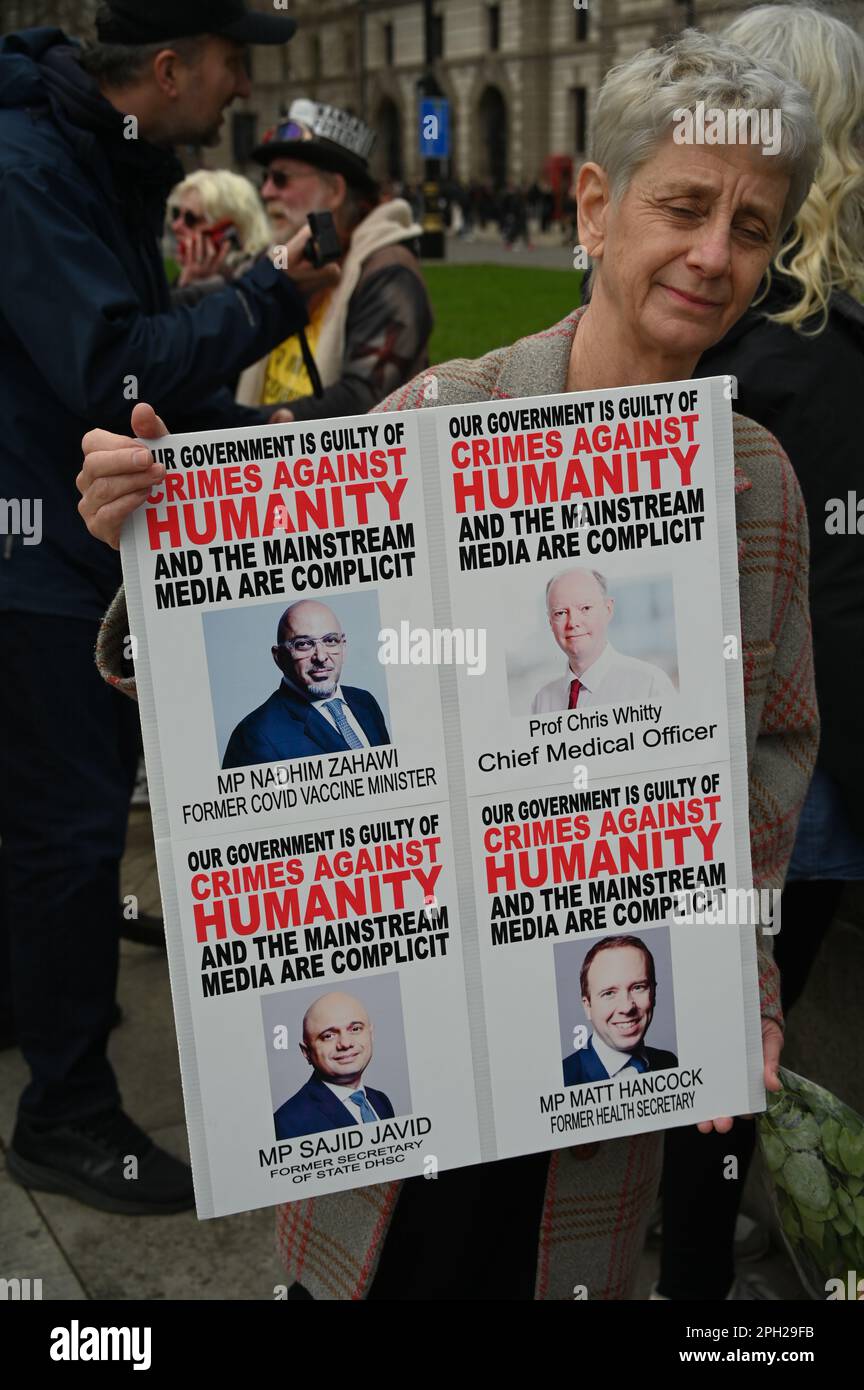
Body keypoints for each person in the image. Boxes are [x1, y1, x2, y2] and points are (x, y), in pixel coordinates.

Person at [79, 30, 820, 1298]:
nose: (713, 254)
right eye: (684, 207)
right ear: (595, 204)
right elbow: (238, 658)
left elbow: (768, 758)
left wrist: (735, 976)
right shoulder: (441, 420)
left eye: (751, 228)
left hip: (593, 1058)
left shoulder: (756, 481)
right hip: (399, 1067)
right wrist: (148, 540)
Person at [0, 0, 334, 1217]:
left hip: (62, 534)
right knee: (71, 835)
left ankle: (25, 1007)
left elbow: (146, 415)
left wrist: (288, 432)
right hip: (38, 558)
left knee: (46, 831)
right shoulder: (32, 164)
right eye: (235, 63)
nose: (244, 89)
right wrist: (262, 302)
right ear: (167, 67)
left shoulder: (99, 155)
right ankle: (67, 1114)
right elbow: (116, 368)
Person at [655, 2, 864, 1304]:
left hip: (731, 756)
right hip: (784, 772)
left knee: (720, 1046)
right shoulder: (809, 346)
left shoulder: (745, 330)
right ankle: (699, 1249)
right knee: (733, 1054)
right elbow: (835, 606)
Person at [237, 99, 434, 421]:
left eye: (281, 178)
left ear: (335, 191)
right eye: (265, 179)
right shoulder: (276, 256)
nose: (267, 191)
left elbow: (365, 401)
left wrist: (238, 427)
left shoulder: (389, 270)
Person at [222, 600, 390, 768]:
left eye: (330, 640)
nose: (321, 656)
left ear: (343, 647)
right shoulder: (254, 736)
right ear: (279, 657)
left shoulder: (365, 701)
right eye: (303, 644)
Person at [531, 567, 677, 713]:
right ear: (550, 622)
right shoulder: (542, 701)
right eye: (560, 613)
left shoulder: (649, 686)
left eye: (585, 608)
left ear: (608, 609)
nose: (573, 622)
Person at [274, 992, 395, 1141]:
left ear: (371, 1034)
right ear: (306, 1052)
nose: (345, 1043)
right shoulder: (287, 1123)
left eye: (355, 1029)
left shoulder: (380, 1101)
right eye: (328, 1036)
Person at [562, 936, 678, 1086]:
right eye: (609, 993)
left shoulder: (670, 1062)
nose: (627, 1007)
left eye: (638, 987)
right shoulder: (564, 1079)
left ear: (653, 993)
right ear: (587, 1006)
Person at [167, 168, 273, 296]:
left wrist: (195, 291)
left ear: (229, 231)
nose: (176, 226)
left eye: (191, 219)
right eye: (176, 214)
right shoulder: (177, 280)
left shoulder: (257, 279)